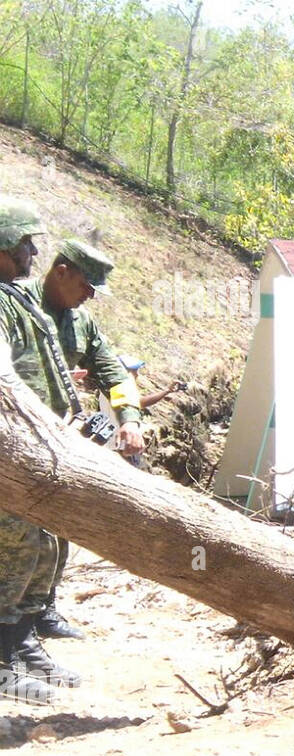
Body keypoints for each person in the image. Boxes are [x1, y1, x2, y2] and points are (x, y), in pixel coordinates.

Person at [14, 239, 145, 646]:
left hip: (62, 442)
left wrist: (129, 419)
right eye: (87, 285)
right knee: (20, 535)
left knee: (58, 525)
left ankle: (42, 607)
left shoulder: (81, 322)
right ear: (61, 271)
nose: (90, 296)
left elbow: (116, 375)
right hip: (18, 440)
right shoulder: (15, 306)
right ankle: (12, 628)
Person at [0, 196, 74, 702]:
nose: (32, 252)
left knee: (42, 549)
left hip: (43, 448)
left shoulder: (18, 295)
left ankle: (19, 644)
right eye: (25, 242)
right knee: (14, 552)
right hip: (15, 450)